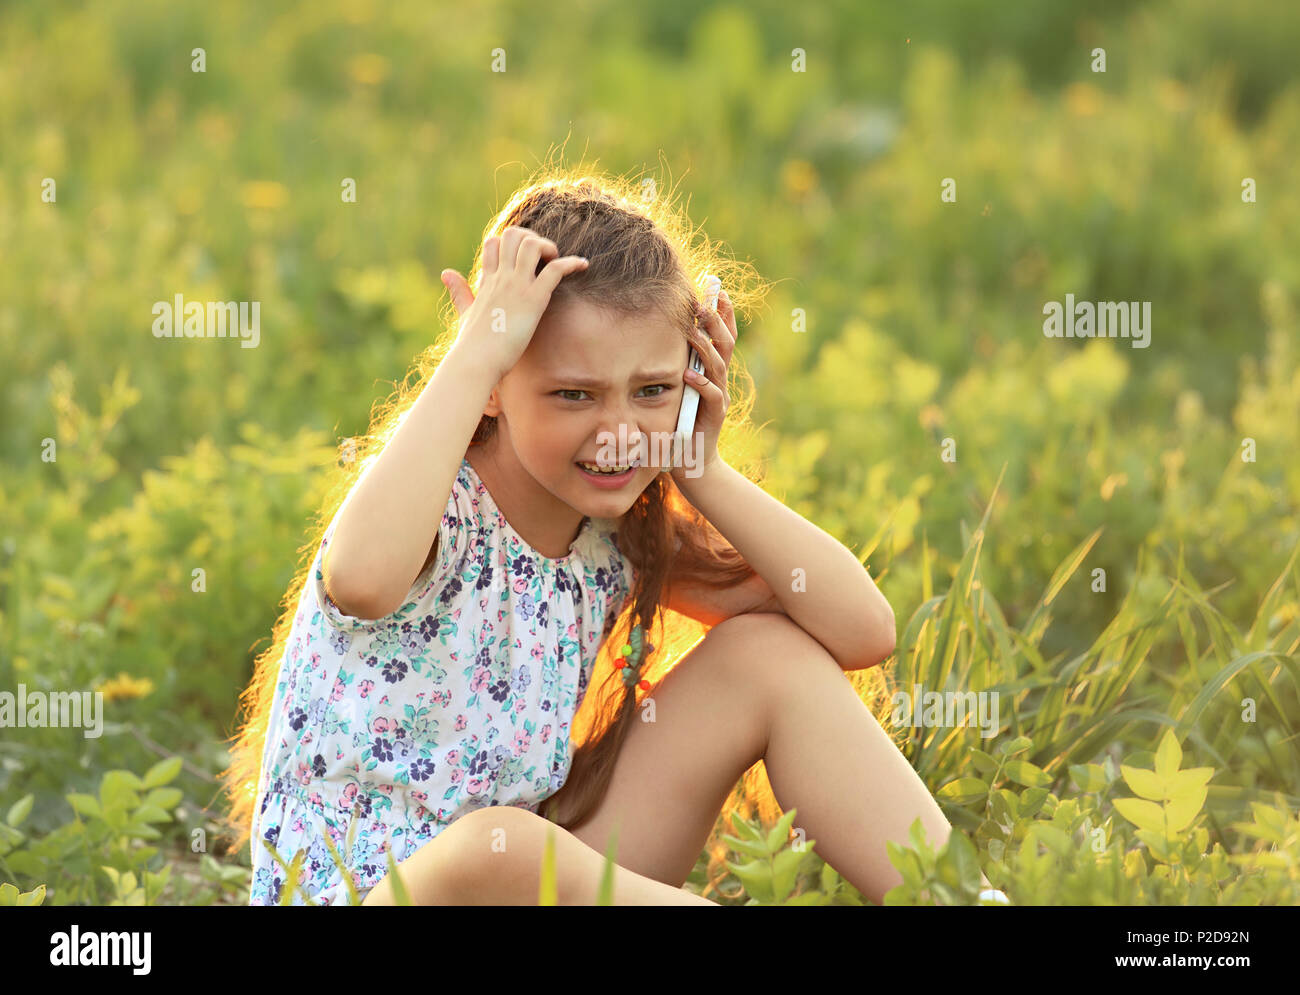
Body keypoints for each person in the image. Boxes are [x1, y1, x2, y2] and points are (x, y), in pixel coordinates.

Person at [221, 169, 1007, 906]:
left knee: (767, 657)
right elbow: (359, 576)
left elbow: (861, 630)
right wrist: (471, 357)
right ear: (494, 382)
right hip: (384, 891)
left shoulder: (617, 533)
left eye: (654, 391)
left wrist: (703, 471)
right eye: (574, 394)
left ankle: (959, 903)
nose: (621, 433)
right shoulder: (433, 502)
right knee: (495, 845)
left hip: (546, 881)